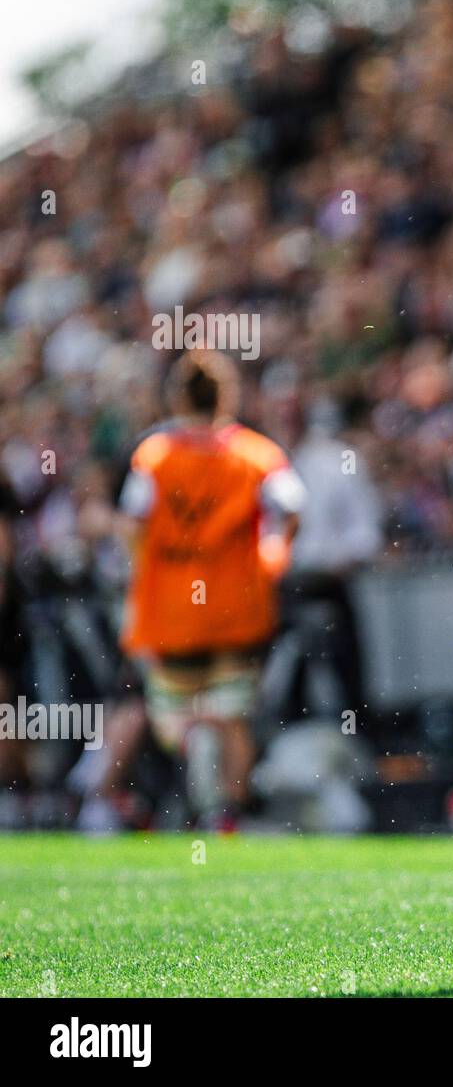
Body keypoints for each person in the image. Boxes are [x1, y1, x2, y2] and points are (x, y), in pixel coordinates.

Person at [118, 350, 306, 830]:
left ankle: (191, 742)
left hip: (171, 611)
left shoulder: (153, 456)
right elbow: (291, 509)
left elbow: (133, 525)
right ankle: (229, 814)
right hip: (238, 606)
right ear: (229, 396)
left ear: (176, 397)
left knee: (172, 716)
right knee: (234, 714)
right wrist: (272, 556)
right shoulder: (258, 454)